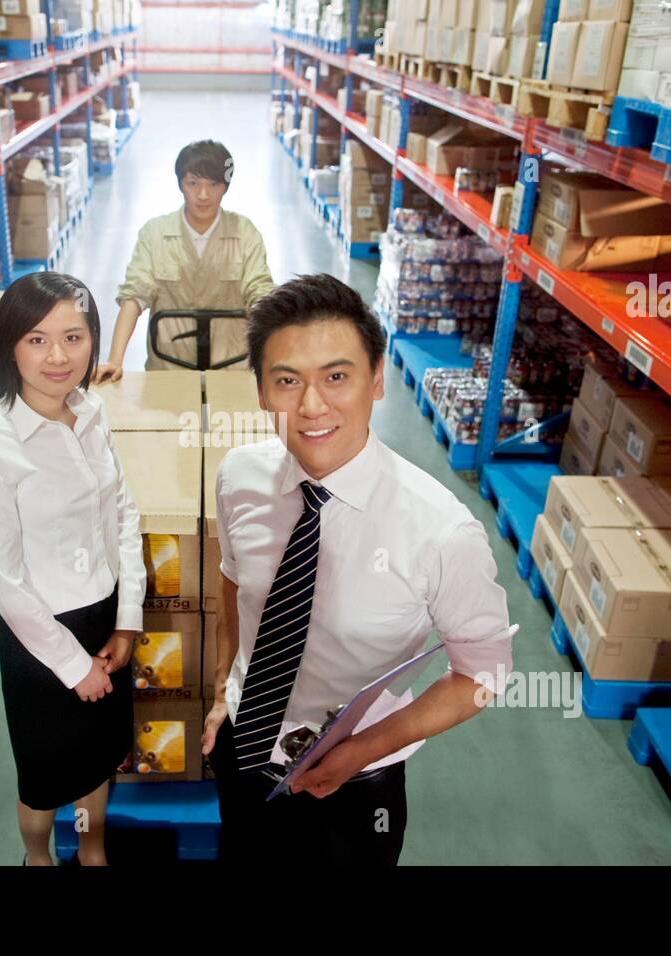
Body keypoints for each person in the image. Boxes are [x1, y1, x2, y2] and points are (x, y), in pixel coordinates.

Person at [201, 274, 514, 866]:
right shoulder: (239, 477)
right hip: (244, 747)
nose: (312, 406)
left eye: (336, 377)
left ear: (376, 379)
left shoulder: (440, 530)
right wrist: (223, 693)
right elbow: (233, 582)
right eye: (287, 381)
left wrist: (360, 750)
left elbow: (484, 673)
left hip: (358, 786)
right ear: (262, 392)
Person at [0, 272, 145, 867]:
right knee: (44, 773)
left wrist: (127, 619)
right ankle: (38, 859)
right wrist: (72, 665)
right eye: (37, 340)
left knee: (97, 758)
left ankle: (92, 850)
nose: (58, 357)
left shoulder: (90, 412)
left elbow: (123, 513)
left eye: (73, 337)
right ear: (9, 347)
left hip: (103, 621)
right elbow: (3, 580)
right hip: (39, 638)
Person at [94, 140, 275, 380]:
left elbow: (260, 293)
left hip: (230, 369)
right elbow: (135, 295)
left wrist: (274, 360)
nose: (203, 195)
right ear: (180, 184)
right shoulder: (154, 233)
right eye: (193, 183)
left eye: (213, 184)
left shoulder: (245, 233)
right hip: (168, 368)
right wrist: (115, 360)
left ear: (226, 187)